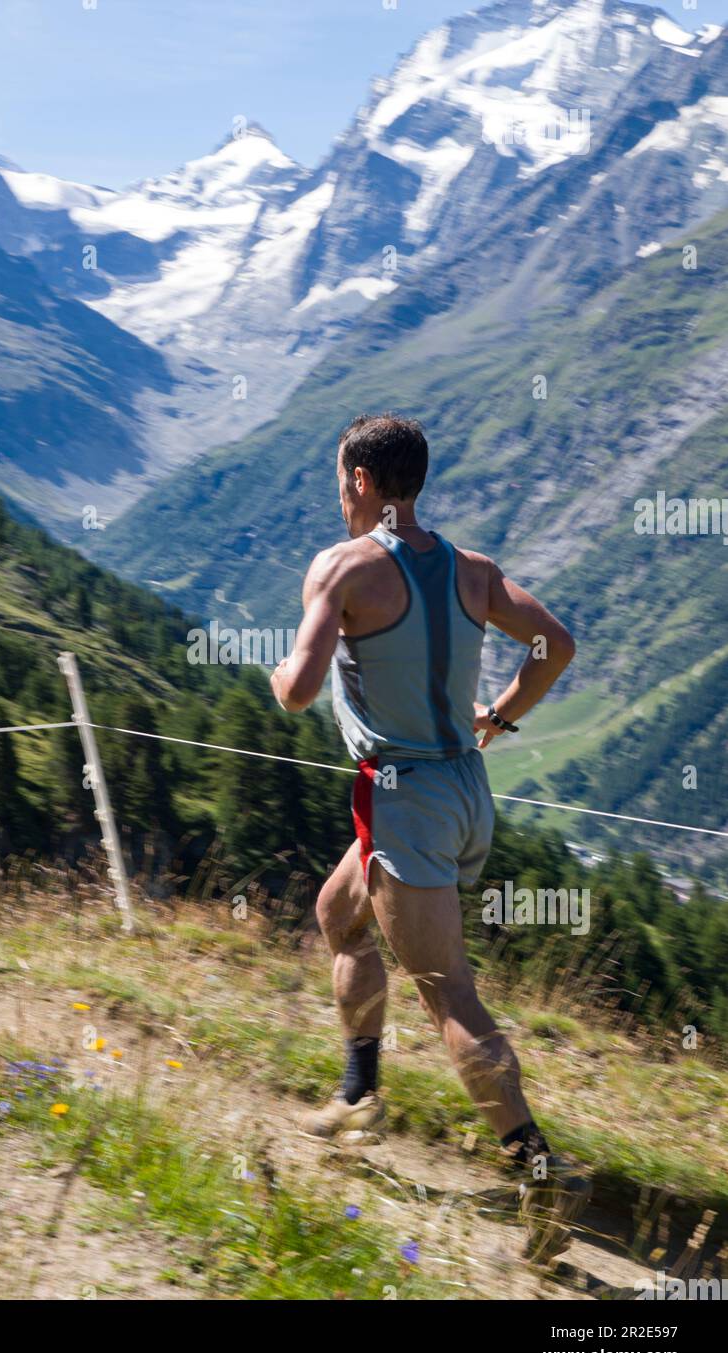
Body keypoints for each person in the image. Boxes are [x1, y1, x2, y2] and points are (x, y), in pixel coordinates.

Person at [270, 413, 587, 1261]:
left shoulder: (342, 569)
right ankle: (358, 1095)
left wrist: (277, 669)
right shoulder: (472, 570)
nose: (339, 497)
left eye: (342, 481)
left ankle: (540, 1170)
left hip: (404, 797)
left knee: (448, 996)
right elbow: (554, 645)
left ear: (365, 482)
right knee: (339, 914)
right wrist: (499, 716)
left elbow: (299, 691)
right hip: (461, 789)